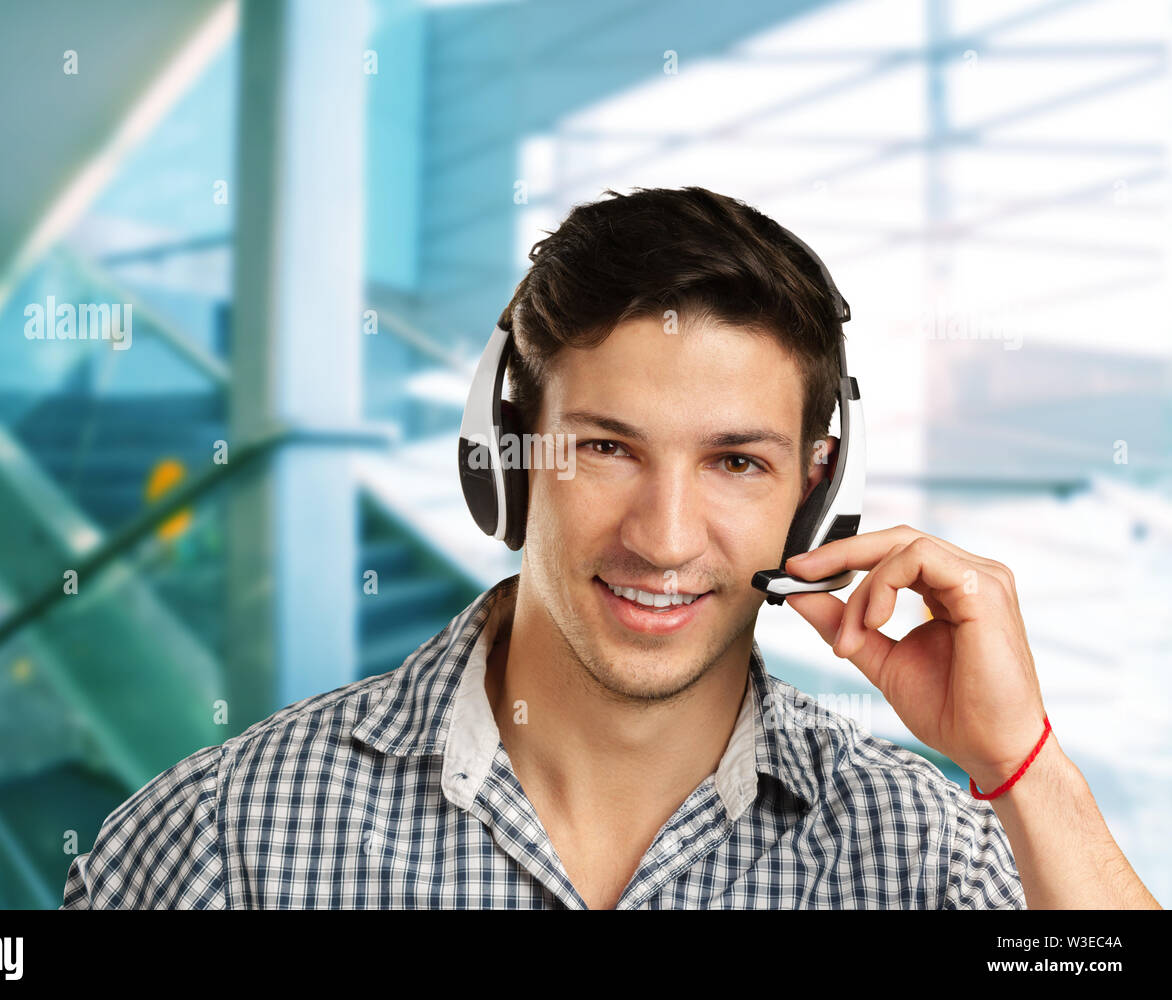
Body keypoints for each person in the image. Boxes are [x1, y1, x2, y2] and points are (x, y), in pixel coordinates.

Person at [62, 186, 1159, 909]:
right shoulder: (226, 837)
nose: (664, 537)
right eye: (605, 447)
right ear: (505, 452)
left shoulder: (924, 852)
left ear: (818, 497)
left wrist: (1024, 765)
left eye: (736, 461)